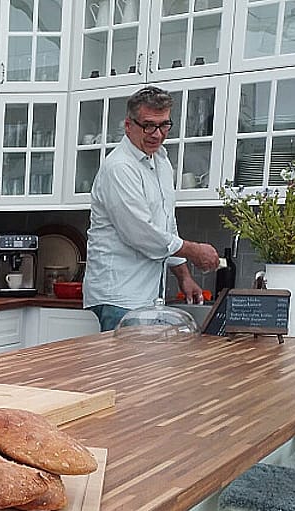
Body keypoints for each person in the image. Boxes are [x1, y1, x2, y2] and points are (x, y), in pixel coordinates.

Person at [84, 85, 221, 332]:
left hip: (146, 295)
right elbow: (141, 234)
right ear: (128, 125)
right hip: (119, 296)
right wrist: (194, 250)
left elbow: (167, 226)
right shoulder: (119, 168)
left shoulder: (160, 161)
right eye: (148, 125)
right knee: (123, 371)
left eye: (164, 125)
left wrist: (184, 277)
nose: (156, 134)